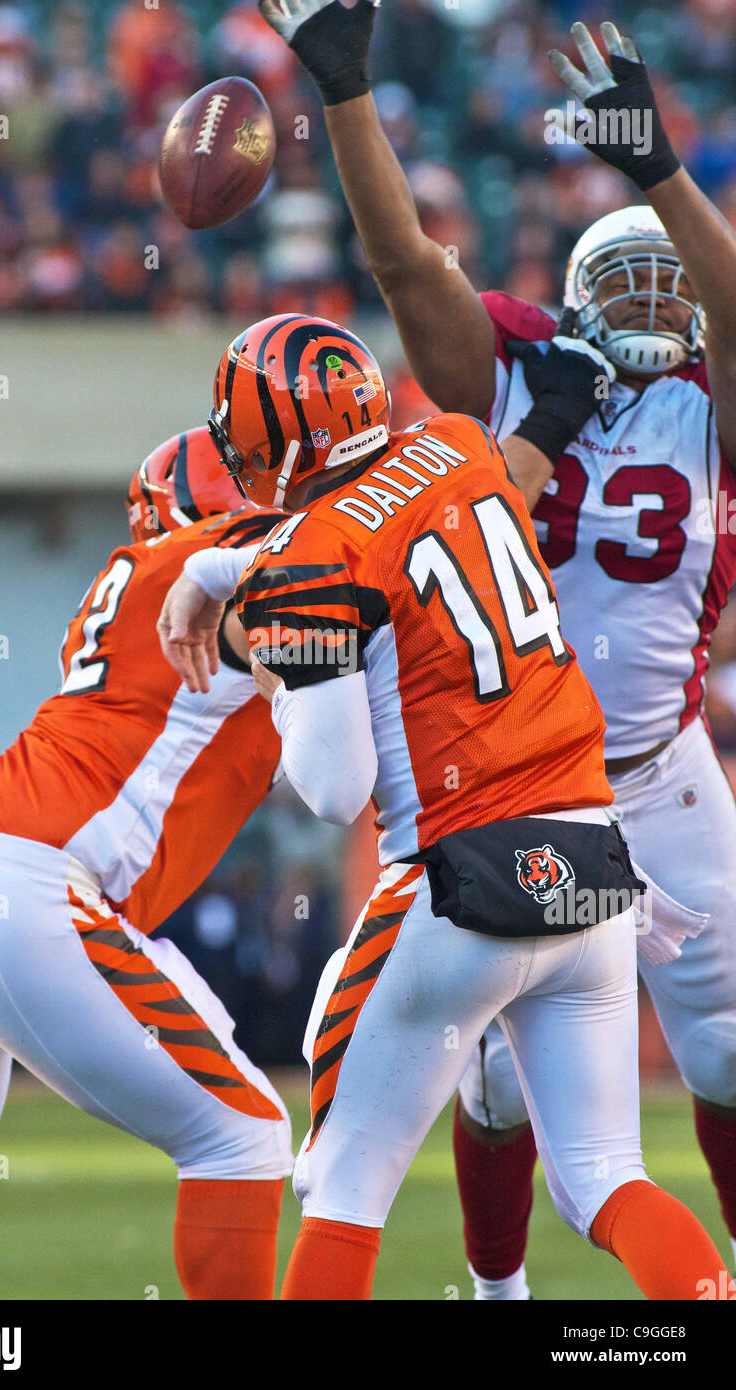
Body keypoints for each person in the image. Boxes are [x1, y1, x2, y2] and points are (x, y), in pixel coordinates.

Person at [259, 0, 736, 1300]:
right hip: (522, 782)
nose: (649, 299)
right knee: (493, 1082)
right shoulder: (521, 367)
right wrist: (347, 96)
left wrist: (657, 170)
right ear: (571, 296)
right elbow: (407, 264)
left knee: (726, 1050)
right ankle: (495, 1290)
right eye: (620, 277)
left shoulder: (709, 398)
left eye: (669, 279)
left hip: (660, 768)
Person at [159, 311, 730, 1300]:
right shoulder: (459, 448)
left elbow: (334, 791)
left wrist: (275, 674)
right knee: (604, 1180)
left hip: (457, 882)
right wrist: (217, 573)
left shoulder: (310, 563)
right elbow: (381, 527)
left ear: (265, 443)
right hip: (593, 863)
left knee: (345, 1186)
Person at [0, 427, 293, 1301]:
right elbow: (319, 607)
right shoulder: (224, 565)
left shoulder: (129, 580)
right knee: (241, 1136)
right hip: (24, 887)